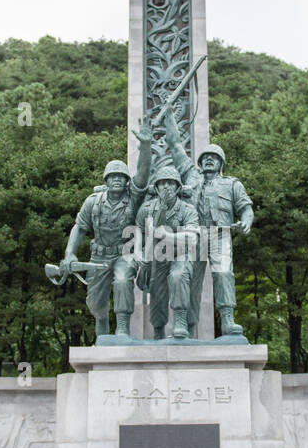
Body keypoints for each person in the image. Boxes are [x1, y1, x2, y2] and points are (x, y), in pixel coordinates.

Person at [59, 120, 154, 337]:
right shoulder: (93, 202)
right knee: (96, 303)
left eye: (122, 177)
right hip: (98, 257)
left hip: (124, 254)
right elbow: (80, 227)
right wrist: (69, 253)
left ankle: (122, 329)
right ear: (106, 181)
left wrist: (146, 146)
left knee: (122, 282)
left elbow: (143, 173)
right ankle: (102, 328)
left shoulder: (133, 197)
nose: (118, 180)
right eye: (113, 177)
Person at [162, 134, 253, 336]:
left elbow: (246, 208)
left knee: (223, 273)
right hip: (192, 235)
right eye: (205, 157)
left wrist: (246, 221)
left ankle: (228, 320)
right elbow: (176, 147)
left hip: (220, 235)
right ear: (200, 162)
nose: (209, 160)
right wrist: (168, 112)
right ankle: (183, 323)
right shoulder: (191, 176)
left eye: (214, 157)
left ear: (221, 162)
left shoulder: (232, 184)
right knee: (186, 278)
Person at [134, 167, 201, 338]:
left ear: (178, 187)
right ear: (156, 188)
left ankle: (180, 322)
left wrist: (167, 236)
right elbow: (137, 235)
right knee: (157, 292)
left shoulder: (187, 209)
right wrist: (139, 255)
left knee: (178, 276)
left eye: (171, 183)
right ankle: (158, 331)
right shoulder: (146, 210)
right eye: (162, 183)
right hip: (156, 256)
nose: (166, 187)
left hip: (181, 254)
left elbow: (192, 239)